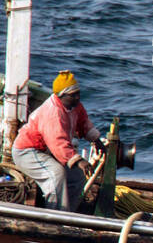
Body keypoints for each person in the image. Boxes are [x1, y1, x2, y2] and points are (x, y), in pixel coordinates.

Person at [11, 71, 106, 212]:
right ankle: (54, 216)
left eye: (78, 93)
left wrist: (96, 140)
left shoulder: (75, 106)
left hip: (48, 152)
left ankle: (69, 214)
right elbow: (58, 142)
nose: (77, 97)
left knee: (77, 177)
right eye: (73, 95)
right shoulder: (53, 112)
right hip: (28, 152)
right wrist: (78, 160)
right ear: (61, 96)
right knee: (55, 175)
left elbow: (83, 122)